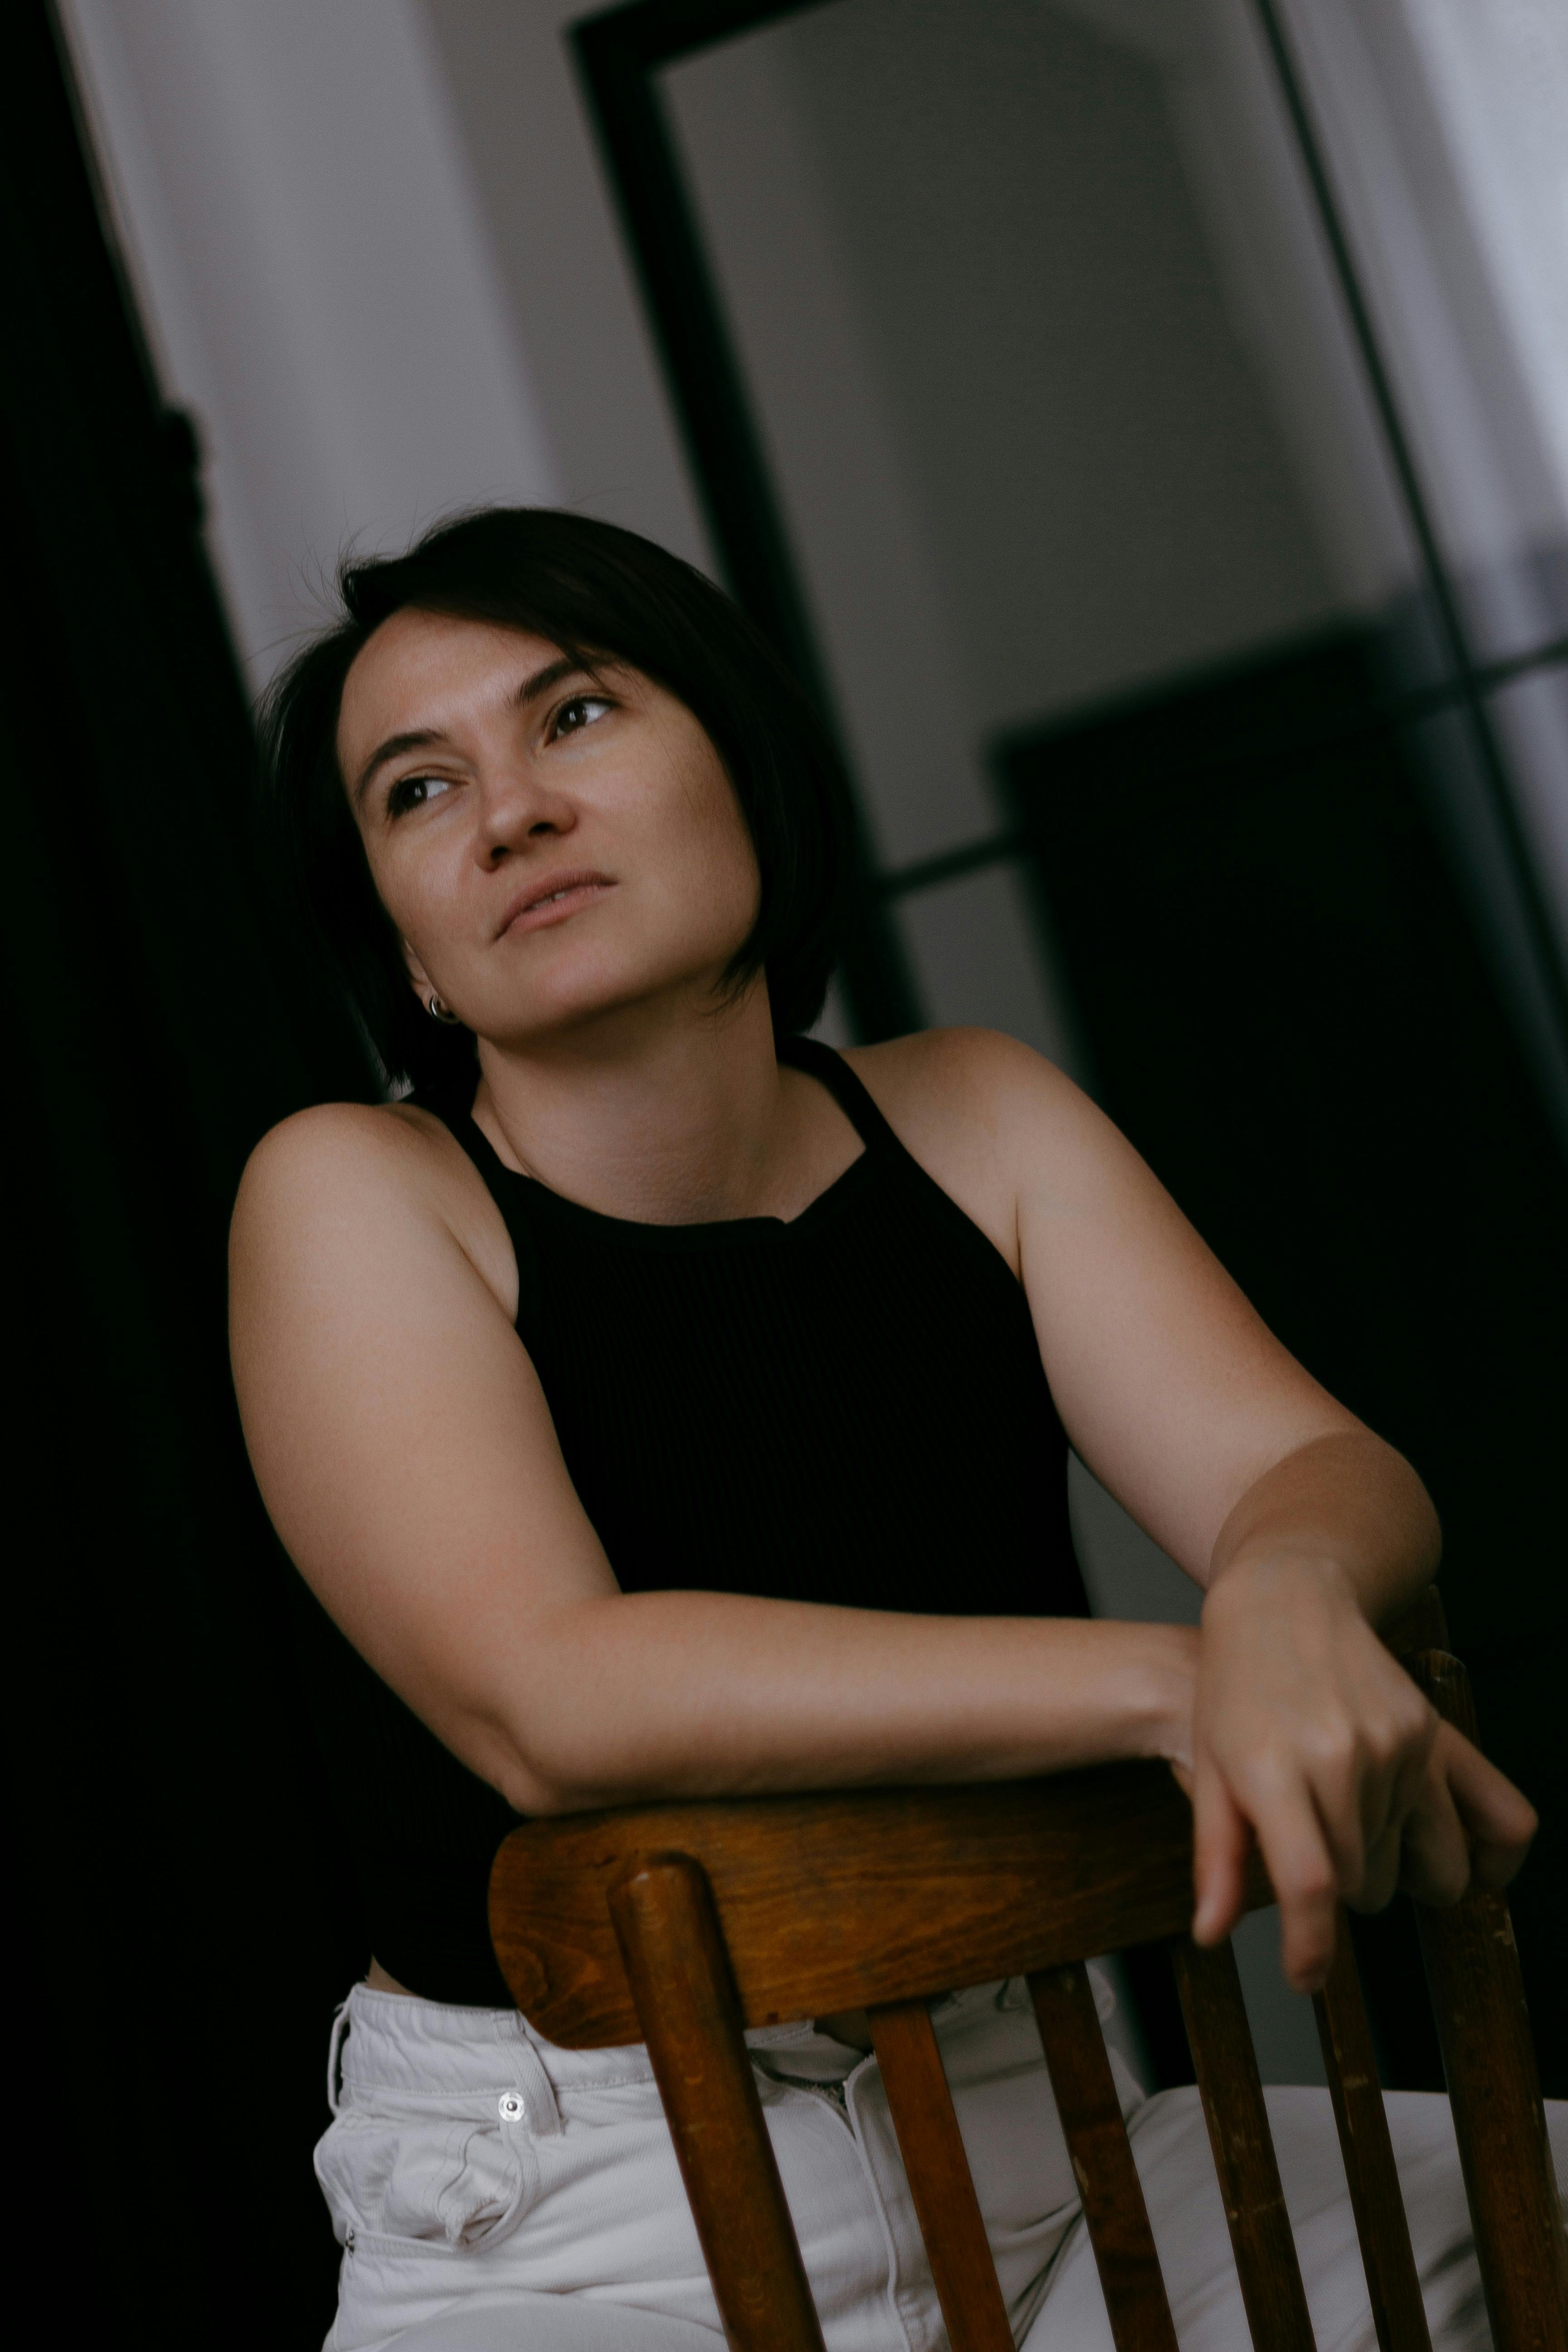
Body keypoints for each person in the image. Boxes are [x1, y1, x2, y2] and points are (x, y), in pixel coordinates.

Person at [231, 507, 1556, 2352]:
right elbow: (556, 1697)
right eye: (418, 791)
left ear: (749, 774)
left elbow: (1313, 1471)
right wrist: (1183, 1687)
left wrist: (1285, 1593)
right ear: (413, 954)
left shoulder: (973, 1116)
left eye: (576, 715)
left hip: (1046, 2134)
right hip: (587, 2221)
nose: (510, 813)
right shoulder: (357, 1191)